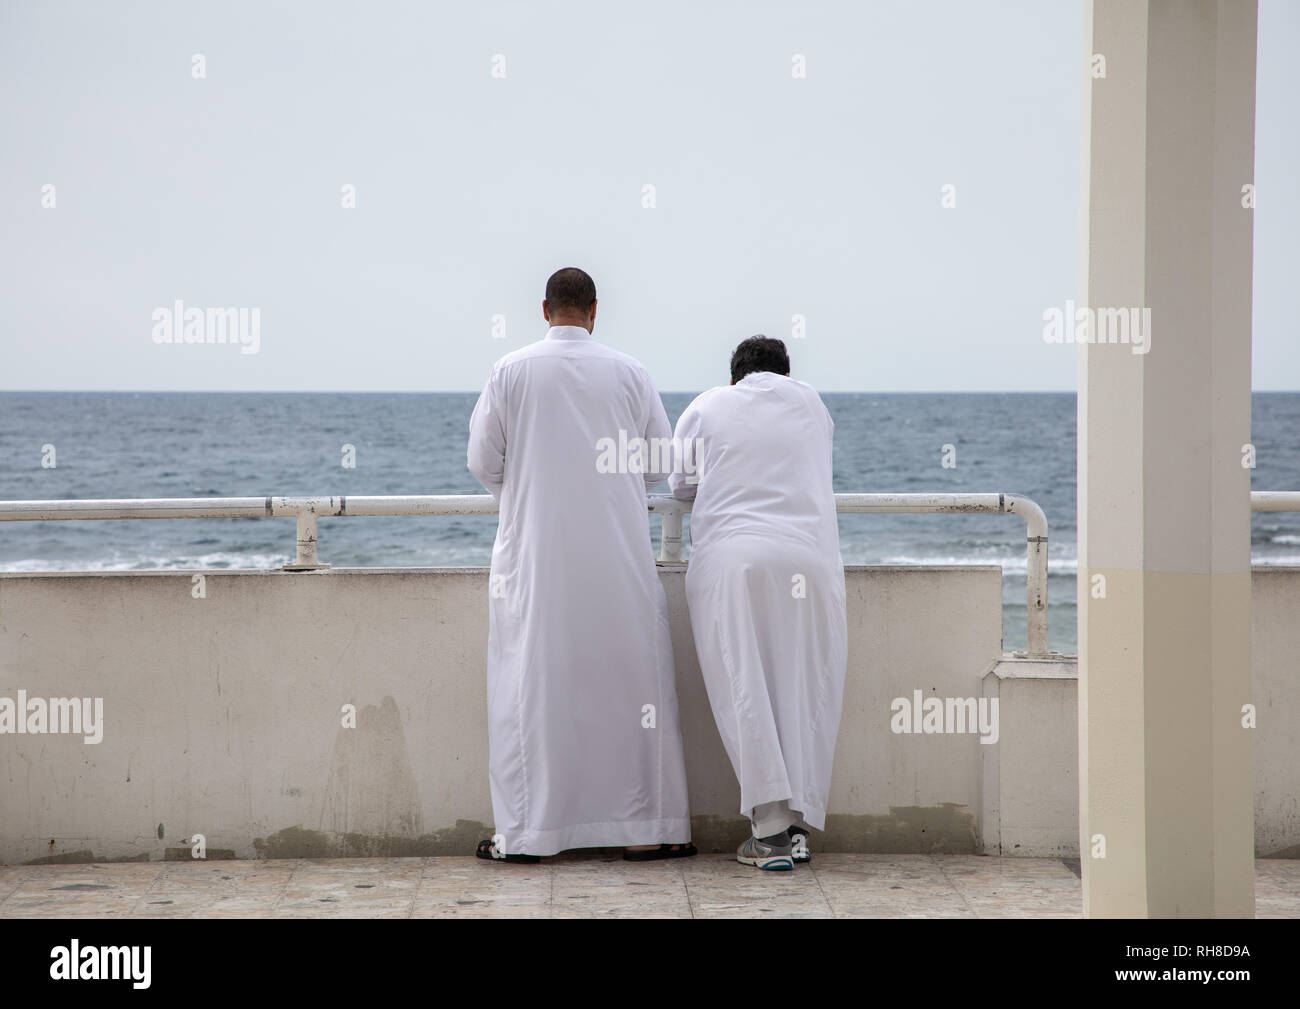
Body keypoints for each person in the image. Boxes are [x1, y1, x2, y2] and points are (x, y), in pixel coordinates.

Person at [467, 267, 695, 863]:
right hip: (618, 557)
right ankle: (646, 830)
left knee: (532, 686)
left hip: (536, 557)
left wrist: (526, 491)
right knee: (632, 686)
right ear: (595, 310)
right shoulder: (630, 371)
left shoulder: (510, 370)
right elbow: (658, 464)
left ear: (545, 310)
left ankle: (531, 836)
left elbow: (483, 461)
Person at [669, 336, 847, 871]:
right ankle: (797, 828)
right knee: (804, 691)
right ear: (787, 374)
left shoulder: (708, 405)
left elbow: (680, 485)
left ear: (734, 377)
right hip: (809, 563)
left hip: (736, 561)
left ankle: (768, 834)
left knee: (743, 686)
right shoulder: (812, 404)